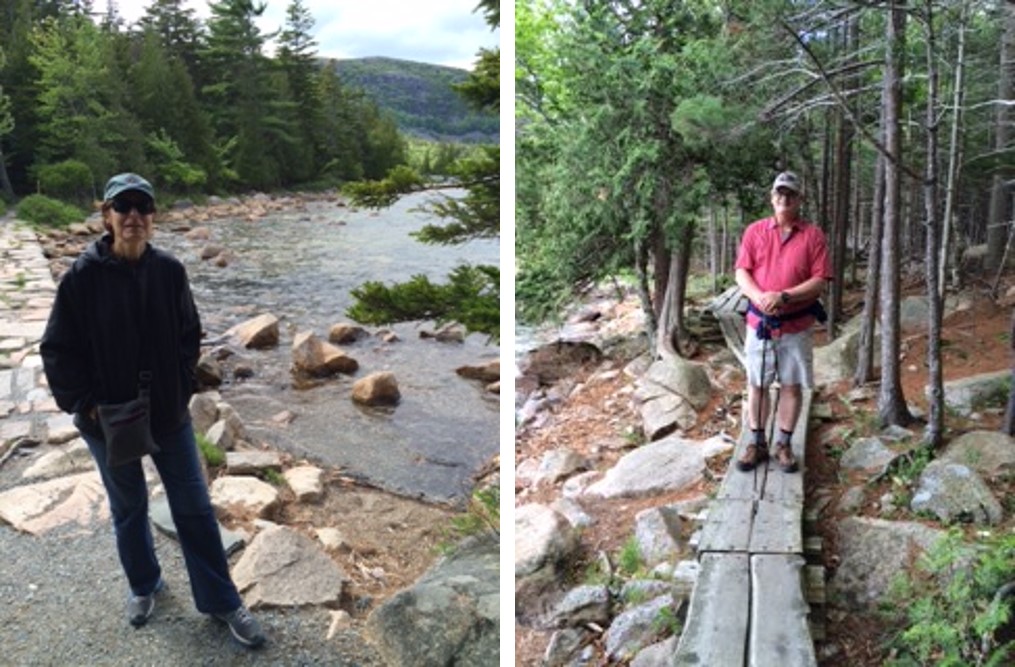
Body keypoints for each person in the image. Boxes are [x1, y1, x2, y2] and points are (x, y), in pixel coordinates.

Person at [40, 173, 266, 648]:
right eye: (124, 208)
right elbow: (57, 349)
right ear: (107, 216)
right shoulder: (82, 277)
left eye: (143, 208)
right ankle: (144, 586)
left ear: (153, 218)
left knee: (195, 507)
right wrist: (85, 405)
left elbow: (189, 333)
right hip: (107, 420)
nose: (134, 217)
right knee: (128, 507)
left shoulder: (169, 271)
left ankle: (222, 601)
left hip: (167, 414)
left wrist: (181, 385)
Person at [733, 171, 832, 473]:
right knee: (757, 384)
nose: (784, 199)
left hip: (796, 325)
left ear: (799, 198)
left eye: (790, 194)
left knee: (791, 386)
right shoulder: (755, 231)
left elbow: (819, 280)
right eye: (779, 193)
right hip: (759, 323)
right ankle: (757, 442)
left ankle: (784, 443)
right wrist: (759, 296)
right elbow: (741, 272)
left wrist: (784, 296)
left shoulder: (813, 236)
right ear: (772, 196)